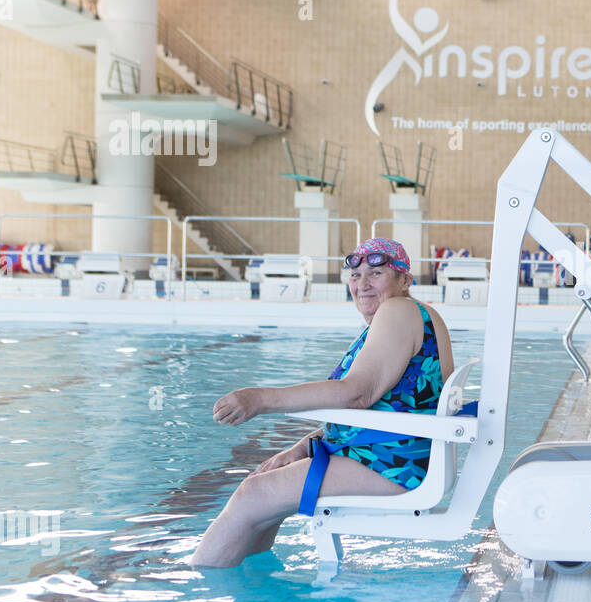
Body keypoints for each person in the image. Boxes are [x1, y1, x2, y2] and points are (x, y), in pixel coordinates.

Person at [190, 238, 455, 568]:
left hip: (395, 466)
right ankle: (249, 579)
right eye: (356, 276)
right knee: (261, 496)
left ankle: (195, 581)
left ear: (404, 279)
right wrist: (302, 448)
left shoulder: (398, 311)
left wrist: (259, 398)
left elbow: (357, 393)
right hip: (396, 453)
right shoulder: (414, 315)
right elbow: (388, 409)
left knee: (251, 497)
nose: (363, 284)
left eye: (376, 273)